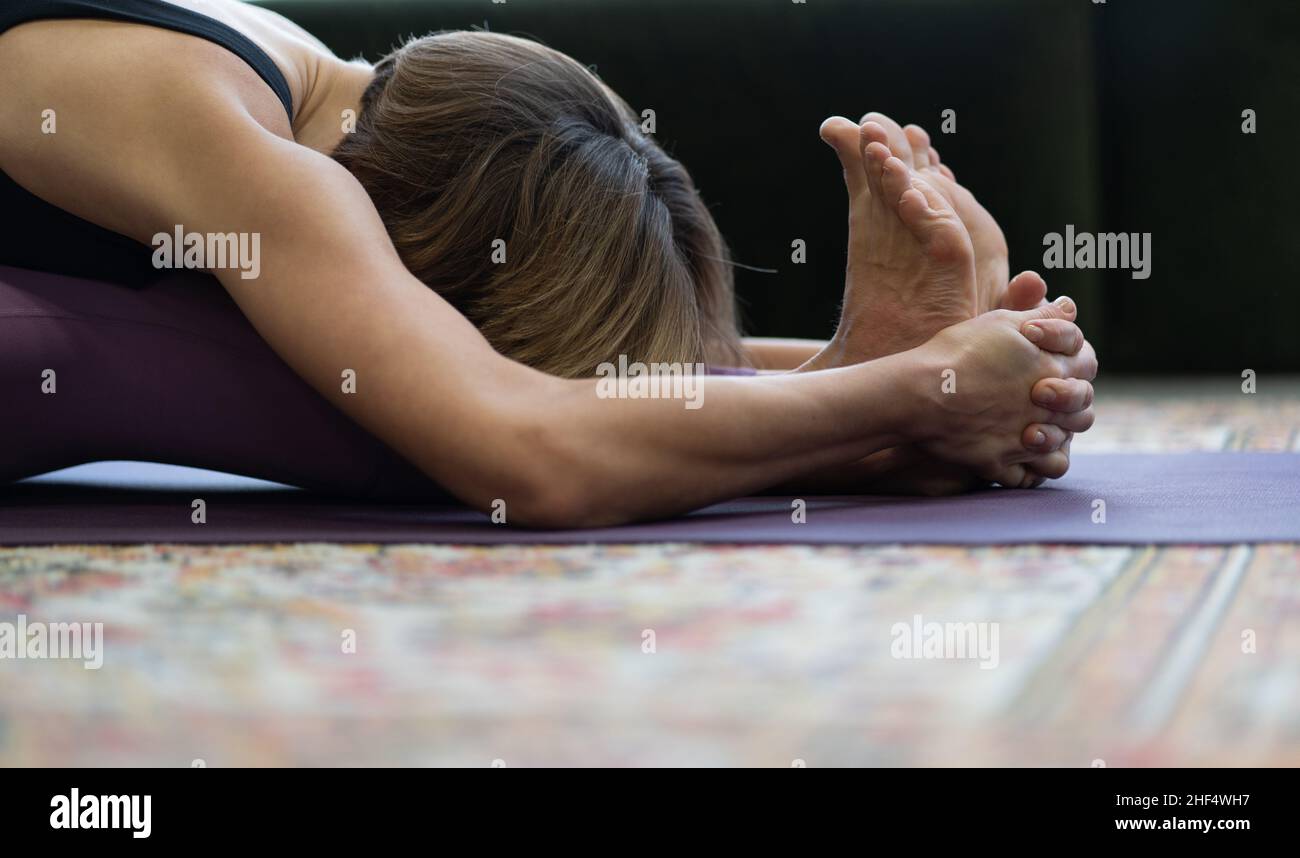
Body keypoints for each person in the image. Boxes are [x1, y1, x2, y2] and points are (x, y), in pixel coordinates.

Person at [0, 0, 1096, 526]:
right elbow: (526, 449)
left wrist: (852, 370)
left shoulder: (306, 88)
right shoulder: (263, 160)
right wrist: (899, 392)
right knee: (380, 412)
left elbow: (533, 375)